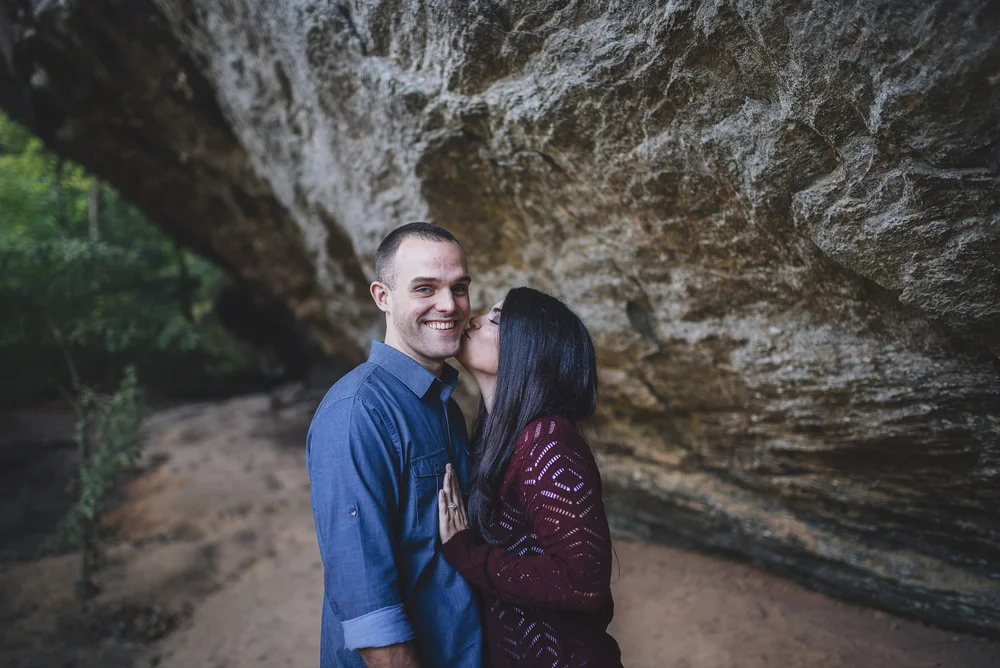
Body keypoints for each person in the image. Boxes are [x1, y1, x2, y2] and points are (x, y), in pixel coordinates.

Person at [307, 222, 483, 668]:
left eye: (459, 288)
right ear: (383, 297)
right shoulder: (356, 412)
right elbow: (372, 617)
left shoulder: (442, 403)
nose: (449, 305)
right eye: (425, 288)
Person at [437, 287, 624, 668]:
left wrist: (471, 556)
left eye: (494, 320)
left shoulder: (547, 441)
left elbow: (583, 582)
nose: (473, 320)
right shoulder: (500, 435)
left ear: (528, 350)